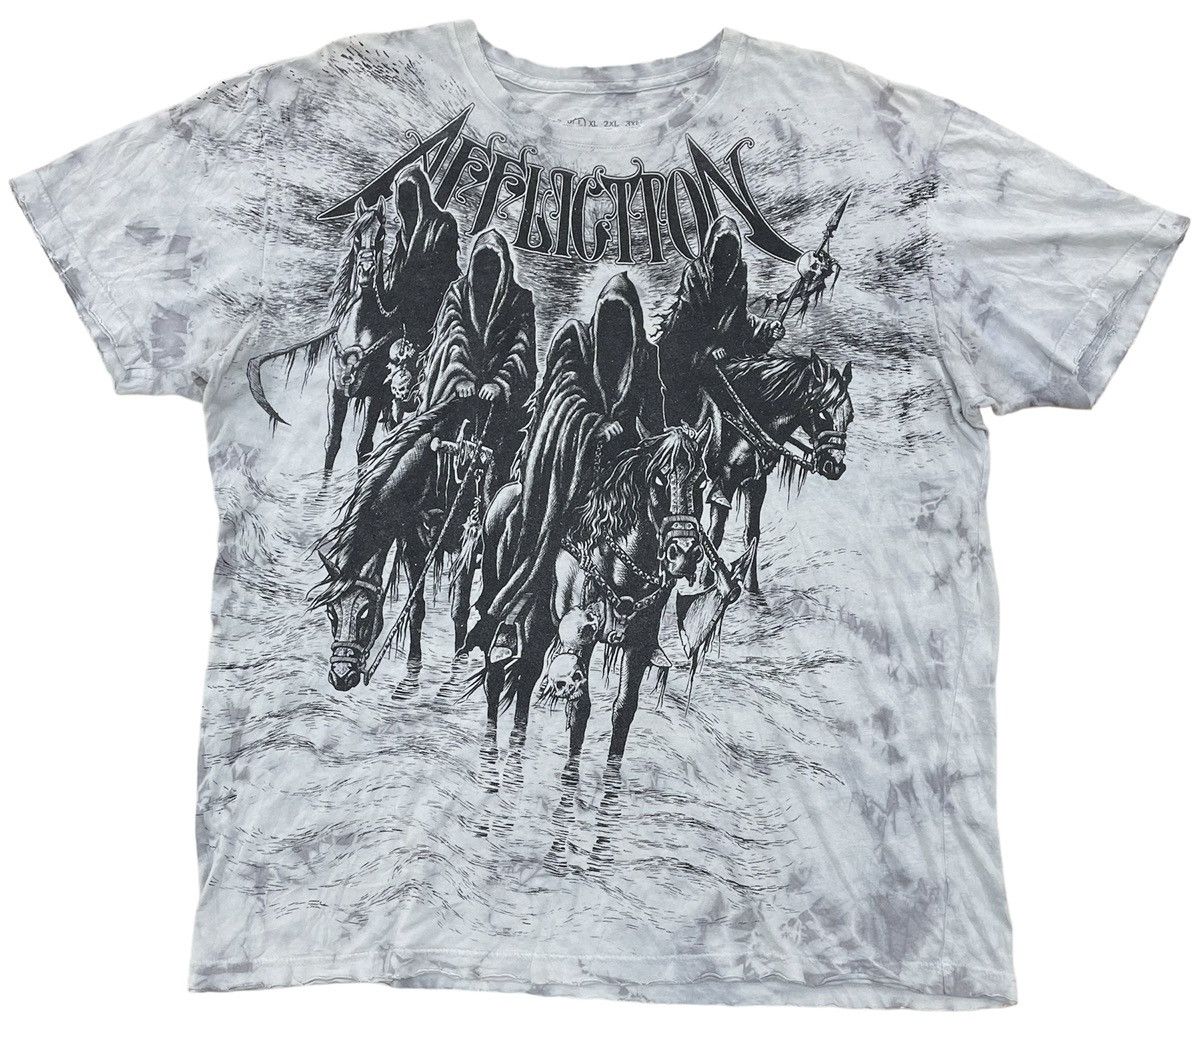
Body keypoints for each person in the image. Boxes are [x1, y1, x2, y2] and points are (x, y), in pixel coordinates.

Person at [474, 272, 665, 661]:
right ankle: (508, 620)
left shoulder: (645, 356)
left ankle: (646, 634)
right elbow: (563, 394)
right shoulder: (575, 341)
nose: (616, 327)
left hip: (620, 472)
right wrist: (594, 424)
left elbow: (653, 414)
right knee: (533, 524)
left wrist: (654, 445)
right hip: (563, 465)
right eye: (609, 315)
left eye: (624, 318)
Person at [657, 216, 783, 503]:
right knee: (704, 412)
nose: (726, 254)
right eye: (721, 247)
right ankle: (698, 473)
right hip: (686, 360)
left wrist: (766, 328)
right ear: (711, 248)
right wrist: (708, 350)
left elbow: (738, 320)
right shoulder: (695, 274)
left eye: (731, 248)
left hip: (720, 363)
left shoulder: (739, 275)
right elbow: (689, 323)